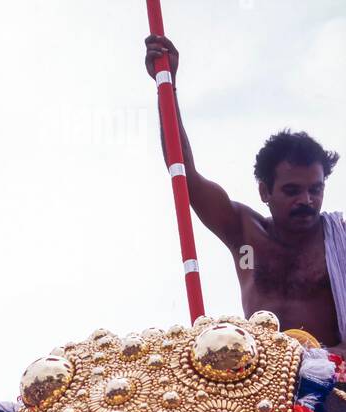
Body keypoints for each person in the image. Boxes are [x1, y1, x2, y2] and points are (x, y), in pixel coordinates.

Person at [144, 35, 344, 352]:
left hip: (334, 384)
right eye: (292, 191)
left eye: (315, 189)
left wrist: (322, 363)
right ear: (265, 191)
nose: (306, 201)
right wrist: (167, 86)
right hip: (258, 384)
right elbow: (184, 175)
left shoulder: (339, 242)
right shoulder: (245, 236)